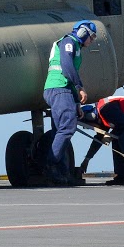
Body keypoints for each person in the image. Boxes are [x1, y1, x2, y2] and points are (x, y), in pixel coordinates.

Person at [41, 20, 97, 185]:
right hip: (59, 89)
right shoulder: (68, 42)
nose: (92, 41)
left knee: (60, 130)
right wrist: (80, 88)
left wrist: (76, 104)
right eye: (91, 37)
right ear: (83, 33)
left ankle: (62, 173)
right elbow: (67, 67)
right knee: (67, 128)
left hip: (61, 90)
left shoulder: (75, 46)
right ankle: (50, 166)